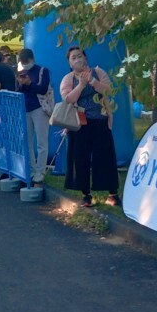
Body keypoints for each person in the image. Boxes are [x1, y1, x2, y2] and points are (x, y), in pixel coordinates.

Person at [58, 45, 118, 207]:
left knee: (105, 156)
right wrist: (81, 85)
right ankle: (86, 194)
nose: (77, 60)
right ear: (70, 63)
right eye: (73, 58)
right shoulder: (68, 79)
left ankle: (112, 193)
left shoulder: (98, 73)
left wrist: (91, 81)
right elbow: (68, 99)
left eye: (79, 56)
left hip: (100, 119)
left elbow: (108, 90)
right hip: (79, 122)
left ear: (85, 58)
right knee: (80, 158)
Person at [17, 47, 53, 185]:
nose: (26, 64)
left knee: (41, 142)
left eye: (27, 61)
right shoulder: (20, 73)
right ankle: (31, 171)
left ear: (33, 59)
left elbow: (43, 89)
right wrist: (22, 84)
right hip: (25, 109)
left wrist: (30, 83)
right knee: (27, 142)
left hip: (40, 108)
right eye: (23, 61)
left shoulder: (42, 71)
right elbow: (19, 90)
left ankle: (40, 171)